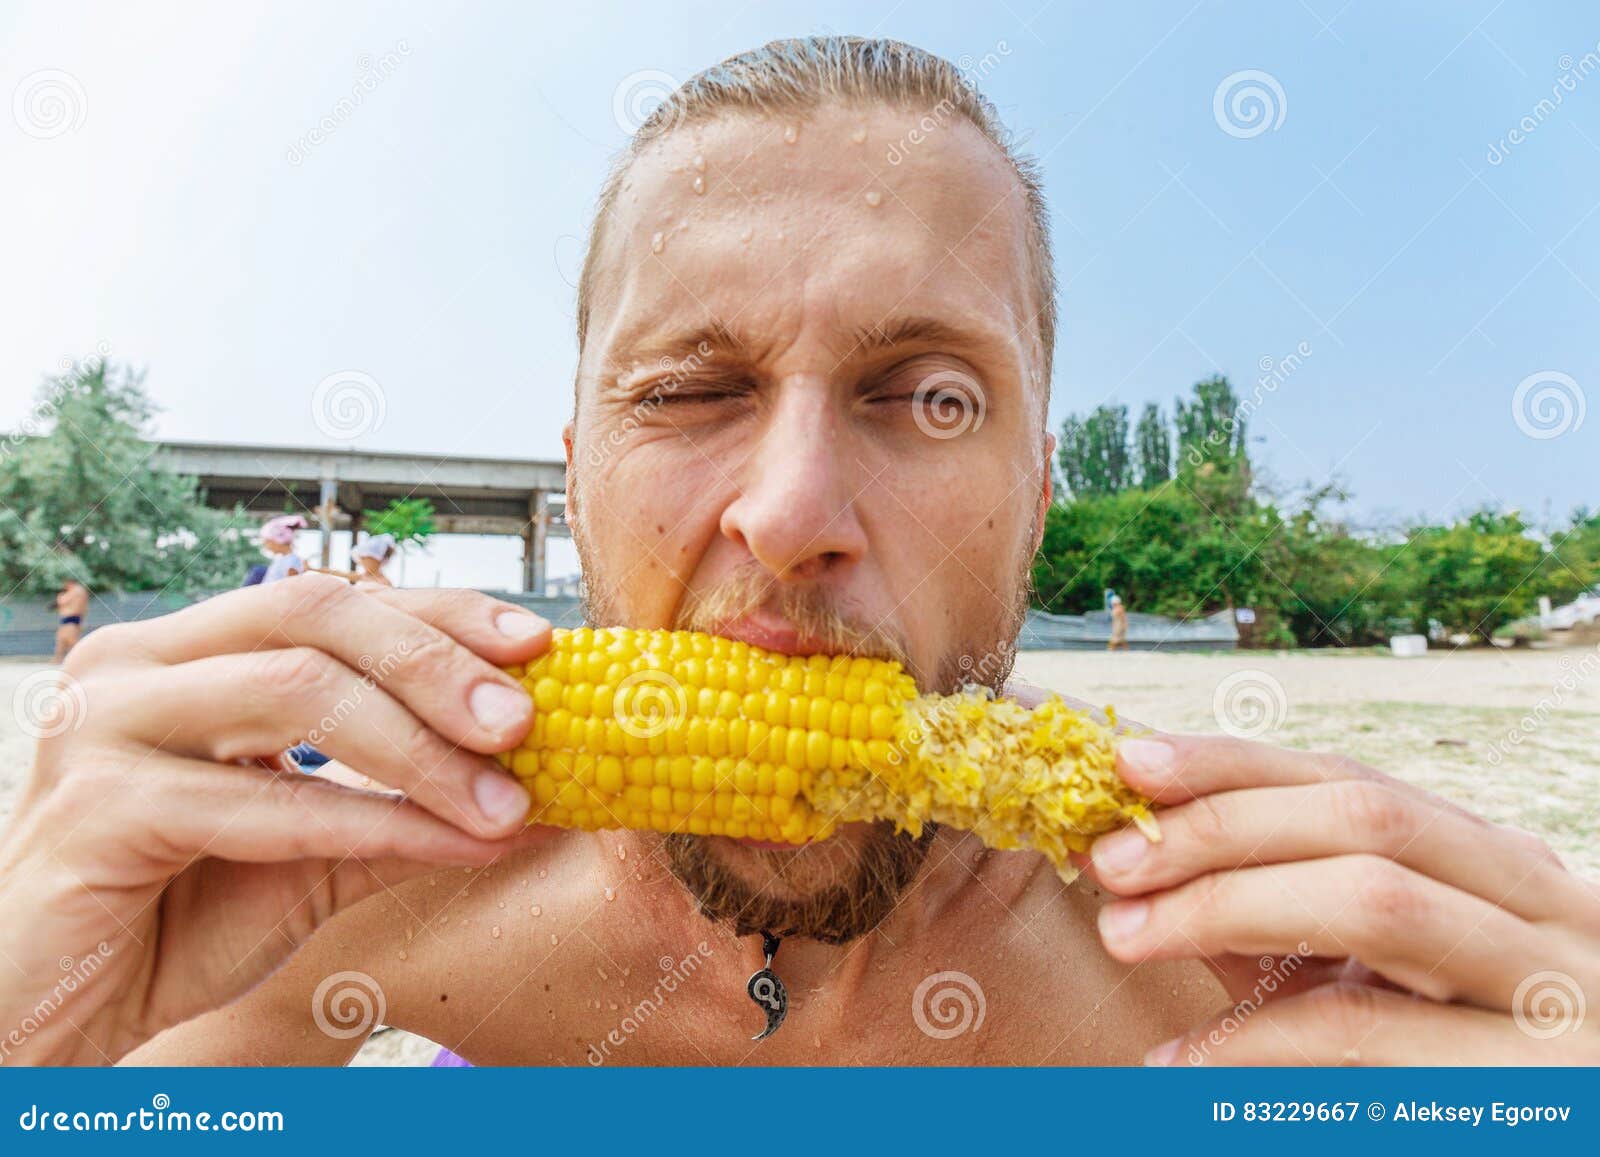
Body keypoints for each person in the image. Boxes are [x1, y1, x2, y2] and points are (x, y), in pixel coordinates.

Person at [1, 38, 1595, 1068]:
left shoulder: (1293, 1002)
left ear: (1040, 495)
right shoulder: (307, 938)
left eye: (927, 396)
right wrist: (33, 1045)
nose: (789, 511)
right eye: (693, 392)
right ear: (579, 472)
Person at [259, 514, 309, 582]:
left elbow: (290, 586)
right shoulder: (280, 560)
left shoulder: (291, 561)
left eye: (267, 542)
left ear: (278, 541)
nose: (266, 546)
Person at [51, 578, 88, 664]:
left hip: (71, 618)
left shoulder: (76, 591)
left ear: (69, 583)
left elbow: (62, 601)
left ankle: (82, 660)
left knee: (72, 641)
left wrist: (60, 596)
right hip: (71, 618)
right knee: (61, 639)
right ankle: (57, 659)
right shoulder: (79, 591)